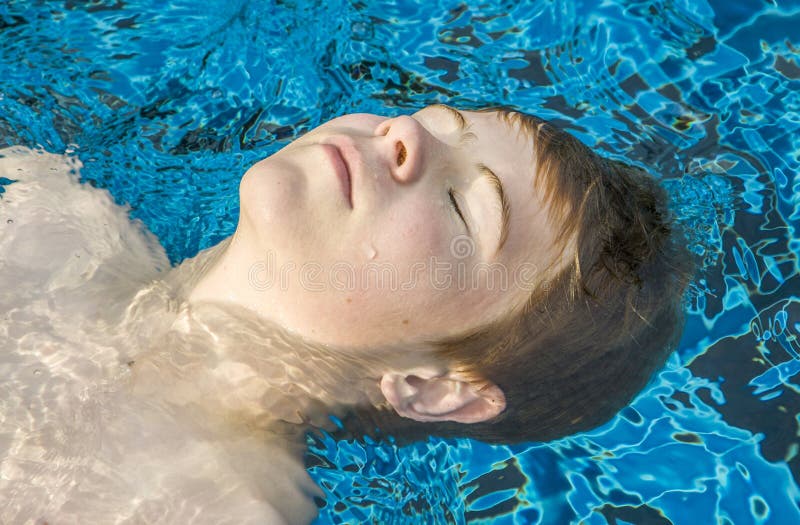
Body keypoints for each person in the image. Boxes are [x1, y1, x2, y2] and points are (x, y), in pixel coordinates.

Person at [0, 105, 691, 524]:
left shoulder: (217, 511)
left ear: (434, 385)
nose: (404, 136)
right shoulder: (44, 211)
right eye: (433, 120)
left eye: (463, 206)